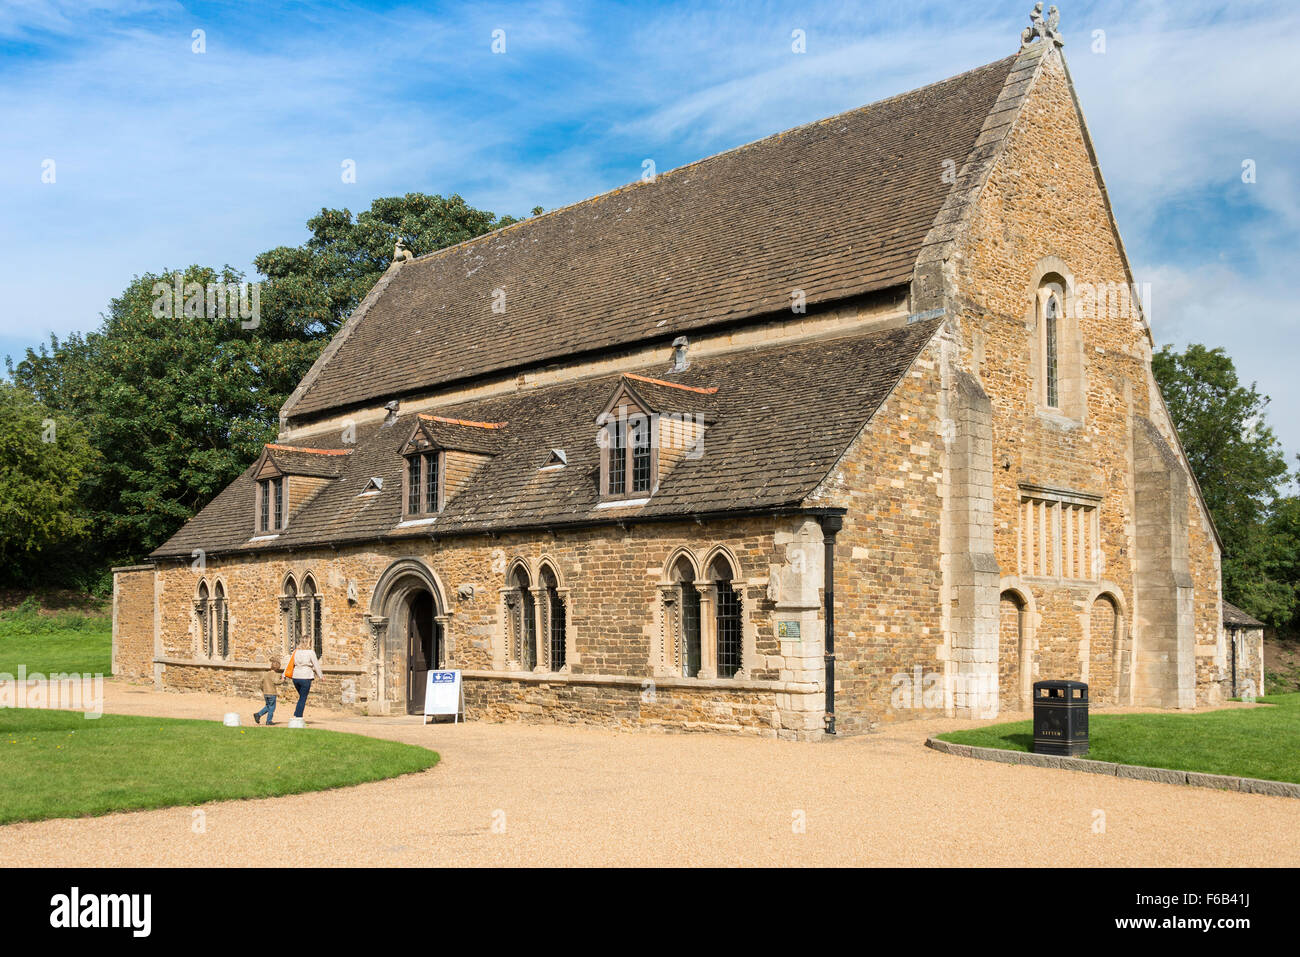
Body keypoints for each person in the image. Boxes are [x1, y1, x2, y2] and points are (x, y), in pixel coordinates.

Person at [288, 638, 324, 720]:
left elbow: (289, 664)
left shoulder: (295, 652)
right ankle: (298, 717)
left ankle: (296, 714)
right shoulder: (310, 652)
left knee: (301, 697)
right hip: (305, 677)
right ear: (309, 643)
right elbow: (316, 664)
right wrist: (321, 676)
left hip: (296, 677)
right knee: (303, 698)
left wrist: (284, 674)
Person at [253, 656, 281, 725]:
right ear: (277, 667)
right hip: (272, 693)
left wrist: (263, 690)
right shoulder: (275, 674)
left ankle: (258, 715)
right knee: (272, 708)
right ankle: (269, 721)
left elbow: (261, 683)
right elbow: (276, 682)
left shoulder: (266, 674)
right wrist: (283, 680)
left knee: (268, 706)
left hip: (266, 693)